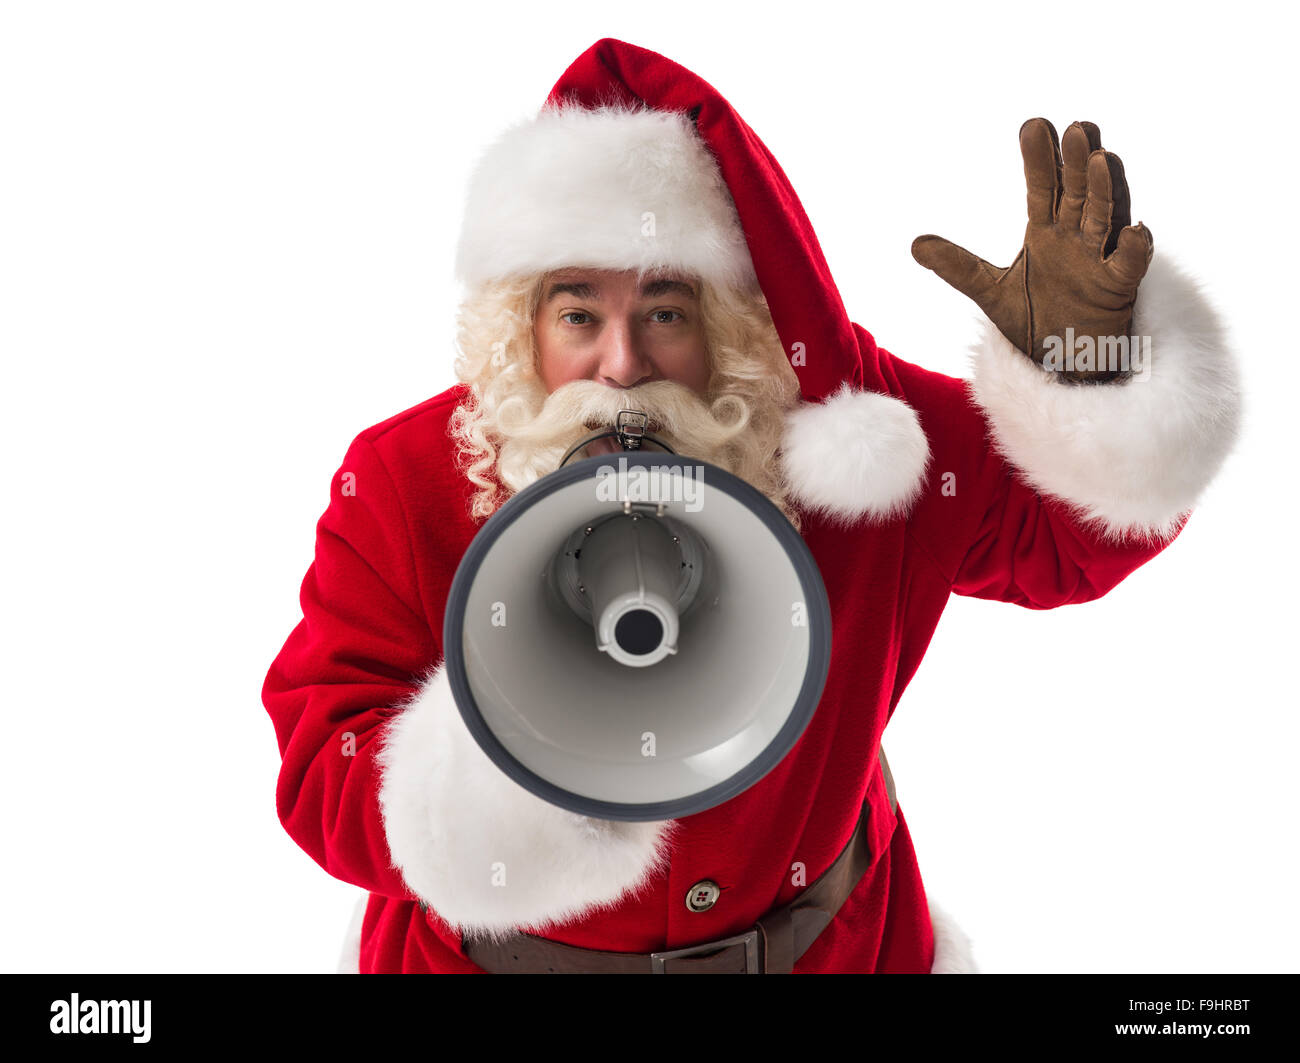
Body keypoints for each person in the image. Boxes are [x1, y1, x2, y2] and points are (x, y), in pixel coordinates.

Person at [262, 39, 1241, 973]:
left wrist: (1085, 371)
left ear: (732, 325)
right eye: (577, 313)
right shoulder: (403, 477)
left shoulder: (861, 434)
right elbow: (321, 766)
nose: (621, 363)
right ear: (522, 328)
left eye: (665, 311)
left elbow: (1070, 540)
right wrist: (516, 754)